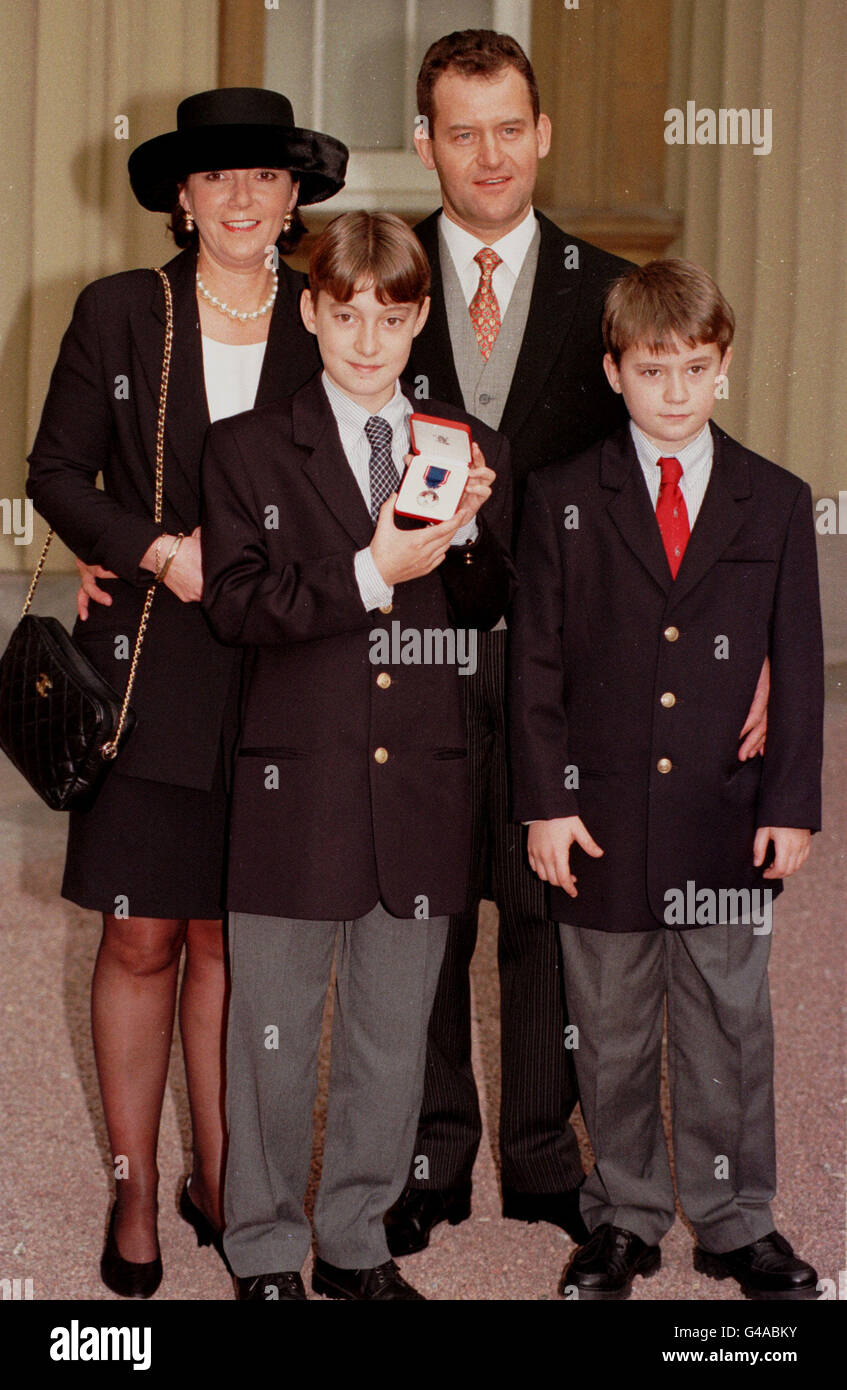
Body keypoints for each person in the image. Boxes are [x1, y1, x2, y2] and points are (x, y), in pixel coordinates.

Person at [387, 27, 771, 1257]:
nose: (489, 155)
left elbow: (690, 478)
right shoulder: (379, 286)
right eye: (462, 130)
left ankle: (549, 1155)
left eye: (511, 127)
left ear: (542, 133)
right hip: (417, 648)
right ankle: (431, 1149)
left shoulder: (609, 289)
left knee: (556, 898)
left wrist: (749, 643)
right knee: (427, 907)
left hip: (582, 663)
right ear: (425, 143)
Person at [25, 87, 347, 1298]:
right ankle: (128, 1187)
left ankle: (220, 1180)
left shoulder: (330, 318)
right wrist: (158, 548)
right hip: (150, 658)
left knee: (231, 935)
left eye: (266, 178)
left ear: (295, 196)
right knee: (140, 930)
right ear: (179, 197)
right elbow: (55, 469)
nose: (245, 199)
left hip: (283, 671)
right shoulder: (119, 311)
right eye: (218, 179)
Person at [200, 211, 513, 1300]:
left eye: (390, 316)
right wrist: (372, 570)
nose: (367, 339)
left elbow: (486, 608)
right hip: (298, 782)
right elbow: (239, 605)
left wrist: (465, 533)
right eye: (344, 316)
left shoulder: (463, 446)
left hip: (419, 785)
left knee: (390, 1042)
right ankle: (264, 1246)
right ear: (311, 314)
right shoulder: (244, 448)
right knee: (273, 1042)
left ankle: (358, 1239)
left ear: (421, 318)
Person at [508, 258, 824, 1300]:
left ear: (723, 367)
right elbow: (537, 666)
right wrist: (545, 803)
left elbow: (800, 661)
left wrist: (789, 806)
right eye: (653, 371)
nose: (675, 391)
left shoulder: (772, 500)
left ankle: (738, 1222)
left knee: (731, 1024)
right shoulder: (562, 499)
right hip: (598, 820)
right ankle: (627, 1216)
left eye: (694, 368)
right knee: (609, 1029)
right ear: (614, 372)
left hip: (723, 821)